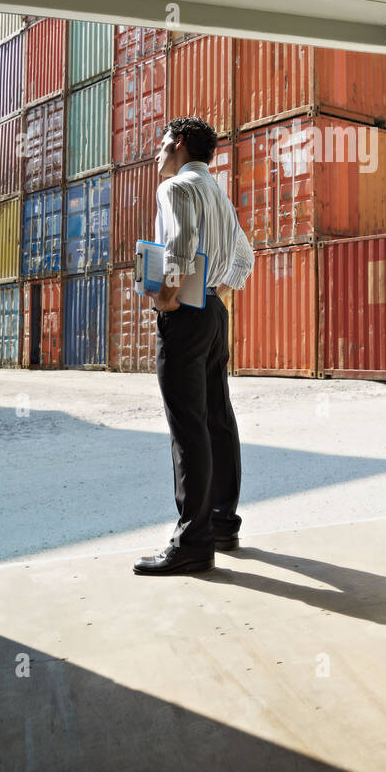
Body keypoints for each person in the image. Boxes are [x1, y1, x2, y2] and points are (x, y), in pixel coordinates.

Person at [133, 116, 254, 576]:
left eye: (163, 143)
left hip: (185, 317)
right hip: (213, 314)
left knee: (188, 425)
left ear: (179, 143)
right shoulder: (220, 195)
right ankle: (223, 523)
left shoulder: (175, 189)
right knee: (217, 418)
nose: (158, 152)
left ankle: (192, 542)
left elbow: (180, 247)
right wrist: (214, 293)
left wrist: (167, 298)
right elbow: (244, 256)